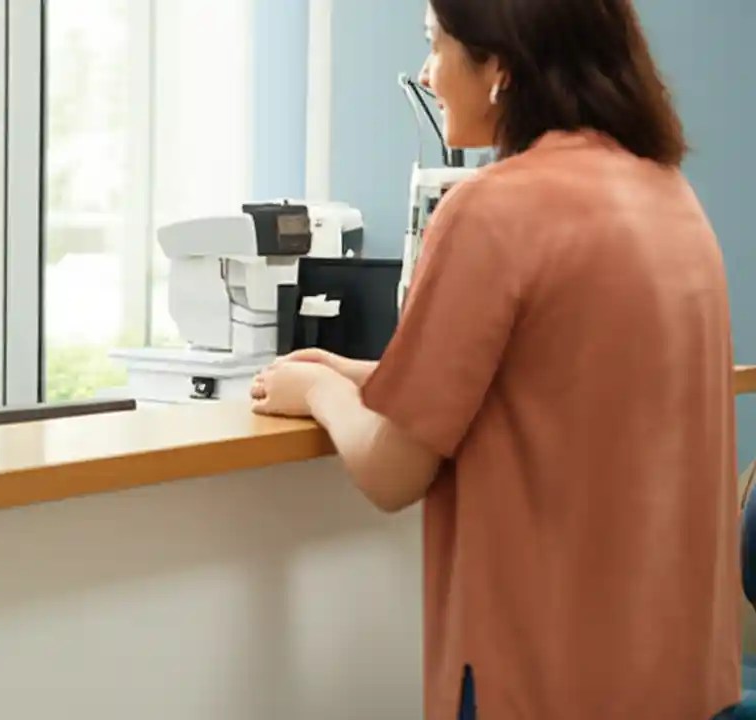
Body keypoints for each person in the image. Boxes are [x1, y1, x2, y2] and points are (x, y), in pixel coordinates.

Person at [251, 1, 739, 718]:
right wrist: (355, 373)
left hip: (541, 679)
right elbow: (548, 381)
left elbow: (392, 470)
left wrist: (316, 390)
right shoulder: (668, 194)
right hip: (676, 678)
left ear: (501, 68)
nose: (428, 73)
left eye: (436, 46)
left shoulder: (492, 209)